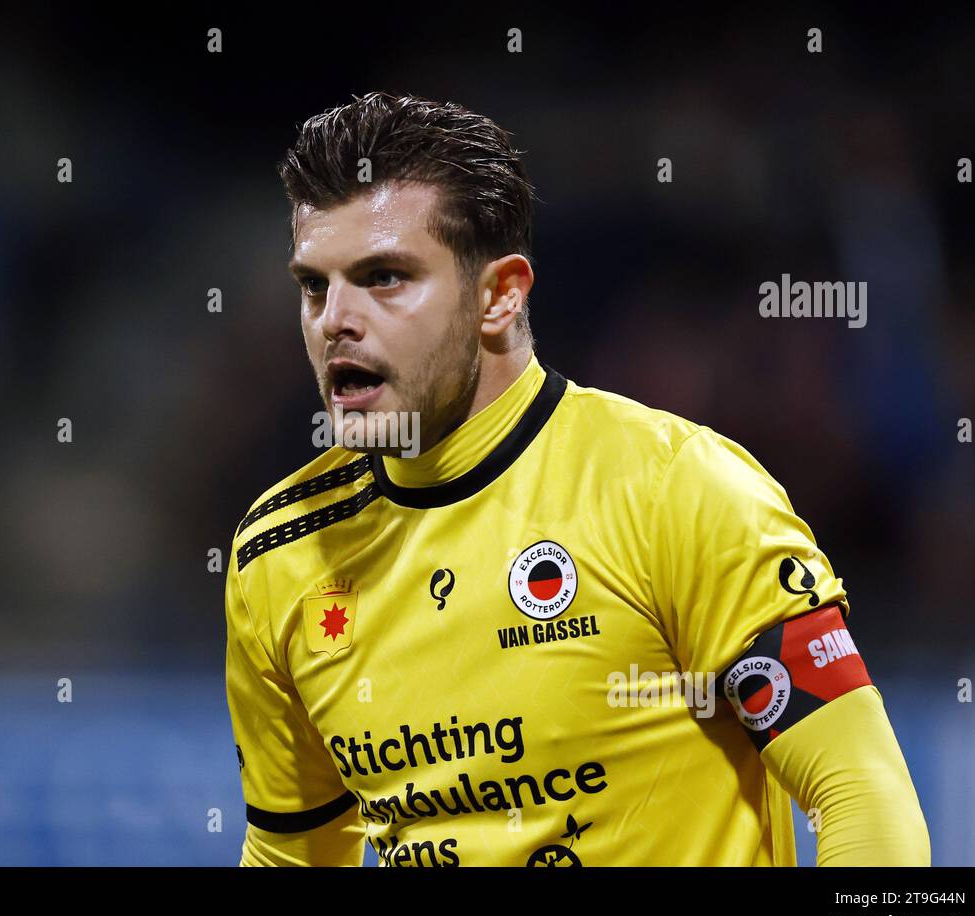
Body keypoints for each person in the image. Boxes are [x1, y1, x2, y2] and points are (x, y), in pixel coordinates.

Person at [224, 91, 930, 866]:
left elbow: (862, 795)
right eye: (314, 286)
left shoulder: (673, 488)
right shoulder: (281, 553)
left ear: (499, 296)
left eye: (384, 277)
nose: (335, 321)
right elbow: (290, 854)